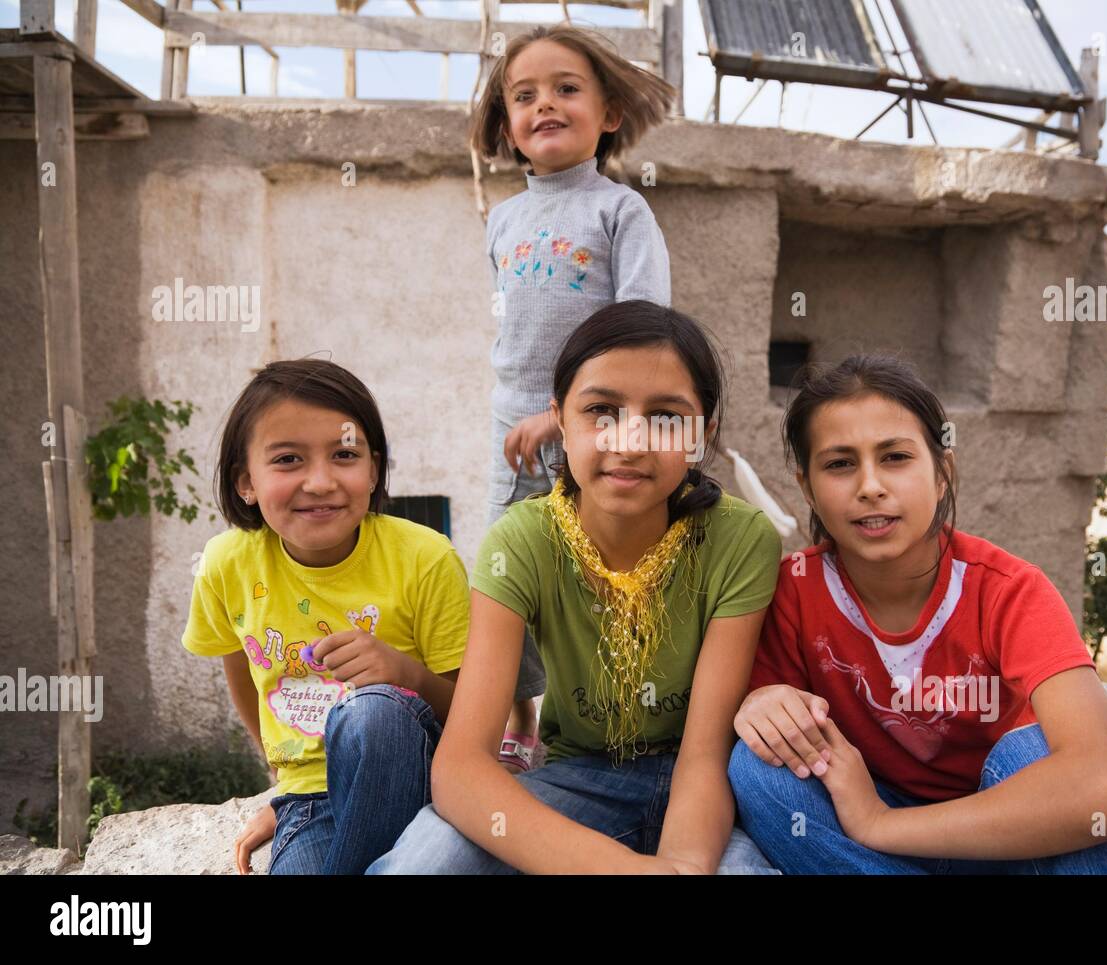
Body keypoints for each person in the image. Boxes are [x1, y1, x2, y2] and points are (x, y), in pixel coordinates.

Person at [369, 301, 781, 874]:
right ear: (560, 419)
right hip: (576, 776)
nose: (630, 442)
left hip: (706, 791)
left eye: (666, 417)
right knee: (427, 860)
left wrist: (682, 866)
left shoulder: (740, 539)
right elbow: (461, 768)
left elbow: (704, 754)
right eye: (601, 410)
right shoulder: (522, 541)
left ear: (703, 433)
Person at [728, 354, 1107, 874]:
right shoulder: (792, 592)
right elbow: (758, 728)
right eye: (839, 463)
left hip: (1008, 830)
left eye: (895, 457)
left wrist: (878, 823)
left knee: (1033, 754)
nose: (870, 485)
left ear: (942, 473)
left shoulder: (1010, 592)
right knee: (759, 767)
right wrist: (764, 702)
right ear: (807, 487)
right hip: (873, 842)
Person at [469, 23, 676, 772]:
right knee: (504, 578)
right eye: (523, 96)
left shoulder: (619, 211)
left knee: (586, 581)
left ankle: (591, 726)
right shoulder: (502, 219)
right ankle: (515, 723)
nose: (543, 105)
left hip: (592, 434)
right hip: (510, 431)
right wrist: (517, 411)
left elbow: (643, 330)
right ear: (506, 123)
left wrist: (567, 413)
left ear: (610, 113)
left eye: (565, 89)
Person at [182, 359, 469, 874]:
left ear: (374, 469)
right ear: (246, 481)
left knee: (372, 710)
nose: (319, 481)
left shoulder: (425, 558)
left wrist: (404, 675)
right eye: (288, 459)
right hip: (309, 807)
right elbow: (240, 669)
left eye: (343, 454)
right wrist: (282, 782)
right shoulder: (227, 564)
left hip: (420, 794)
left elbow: (471, 717)